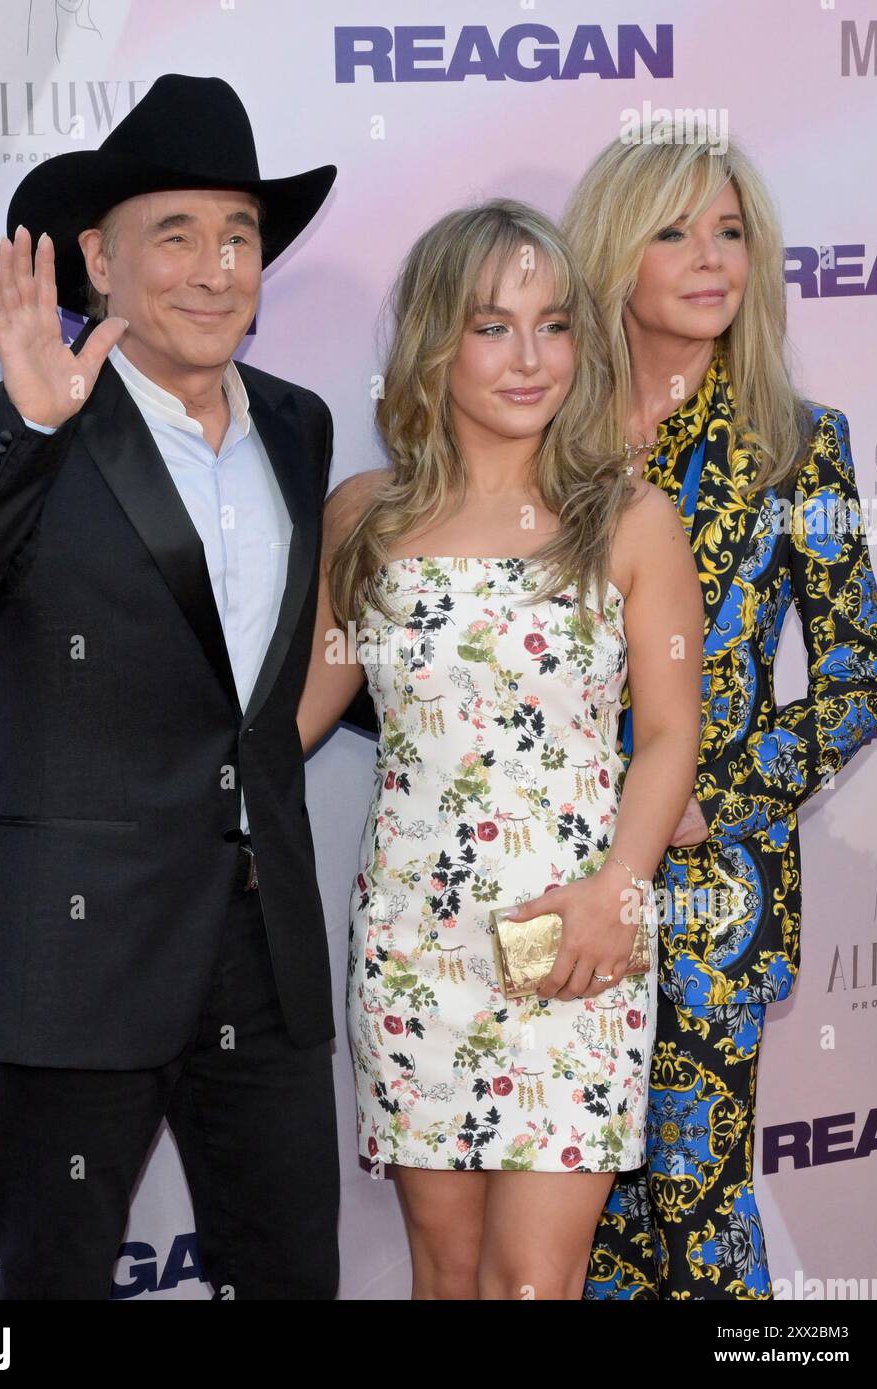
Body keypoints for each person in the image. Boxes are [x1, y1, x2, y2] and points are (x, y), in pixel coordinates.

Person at [0, 73, 353, 1300]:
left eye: (237, 235)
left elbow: (281, 672)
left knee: (290, 1276)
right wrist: (26, 428)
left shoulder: (299, 425)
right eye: (174, 234)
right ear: (97, 257)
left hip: (265, 946)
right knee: (55, 1286)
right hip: (79, 952)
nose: (213, 266)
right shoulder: (8, 421)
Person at [296, 198, 705, 1300]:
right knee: (446, 1273)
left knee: (530, 1282)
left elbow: (670, 730)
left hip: (575, 934)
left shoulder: (627, 519)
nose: (529, 358)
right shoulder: (364, 519)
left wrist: (621, 886)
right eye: (491, 325)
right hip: (414, 945)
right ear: (436, 340)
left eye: (554, 323)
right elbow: (294, 714)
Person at [561, 134, 877, 1299]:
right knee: (575, 1225)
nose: (710, 260)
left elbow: (858, 681)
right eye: (672, 231)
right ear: (612, 254)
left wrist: (717, 794)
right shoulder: (542, 442)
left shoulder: (800, 447)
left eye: (730, 232)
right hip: (556, 879)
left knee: (697, 1220)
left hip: (713, 890)